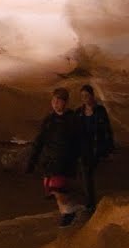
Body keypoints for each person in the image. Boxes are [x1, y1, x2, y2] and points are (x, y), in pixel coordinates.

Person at [27, 87, 85, 226]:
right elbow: (39, 141)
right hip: (51, 160)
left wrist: (81, 158)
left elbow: (80, 141)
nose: (55, 103)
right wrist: (32, 160)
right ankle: (67, 211)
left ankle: (70, 212)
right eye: (54, 100)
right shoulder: (49, 120)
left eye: (59, 101)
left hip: (65, 161)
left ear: (65, 102)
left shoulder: (73, 120)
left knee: (57, 187)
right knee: (50, 187)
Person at [76, 84, 115, 213]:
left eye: (86, 96)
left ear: (92, 96)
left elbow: (107, 130)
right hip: (83, 147)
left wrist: (109, 148)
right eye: (82, 96)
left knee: (87, 172)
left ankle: (90, 202)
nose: (84, 99)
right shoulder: (79, 113)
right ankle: (89, 201)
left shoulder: (100, 111)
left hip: (95, 147)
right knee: (85, 173)